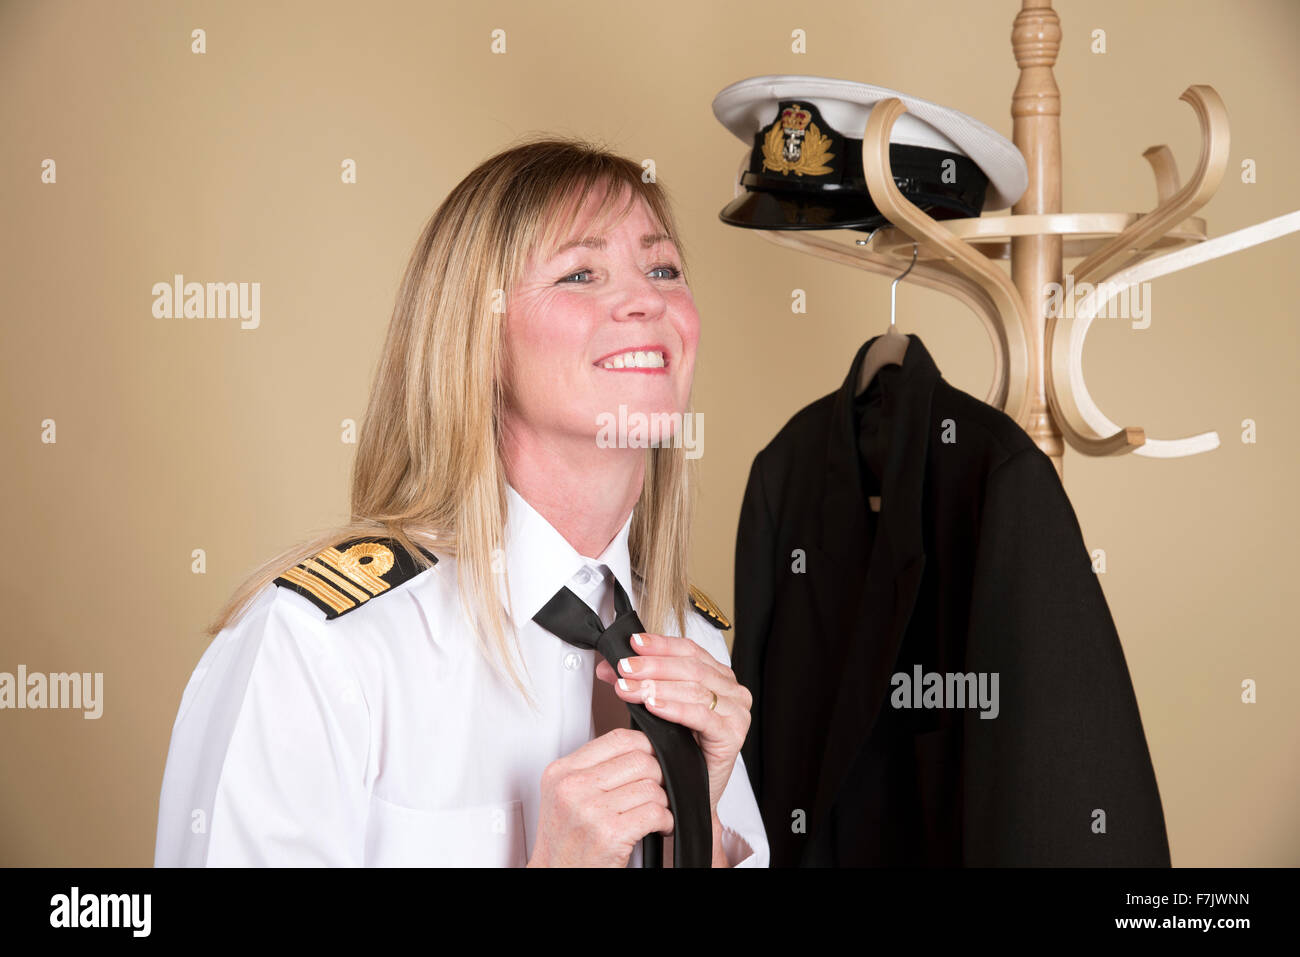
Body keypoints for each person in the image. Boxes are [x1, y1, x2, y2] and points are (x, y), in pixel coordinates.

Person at [152, 137, 770, 867]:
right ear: (475, 335)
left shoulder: (692, 645)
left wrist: (696, 823)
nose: (648, 299)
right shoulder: (319, 647)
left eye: (663, 268)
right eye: (580, 273)